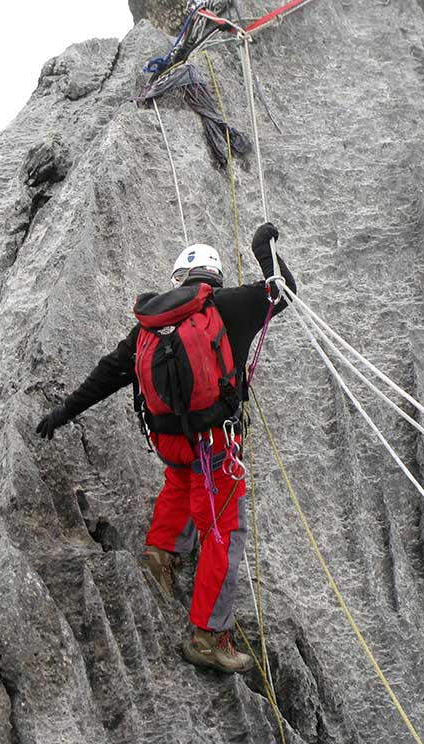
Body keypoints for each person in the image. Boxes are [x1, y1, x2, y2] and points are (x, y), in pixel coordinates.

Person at [36, 222, 295, 673]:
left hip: (170, 444)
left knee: (178, 484)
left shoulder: (149, 327)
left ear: (178, 278)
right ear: (213, 277)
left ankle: (159, 556)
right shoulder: (231, 305)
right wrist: (261, 249)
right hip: (214, 445)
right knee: (222, 533)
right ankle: (208, 636)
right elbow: (285, 291)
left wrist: (63, 412)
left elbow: (106, 375)